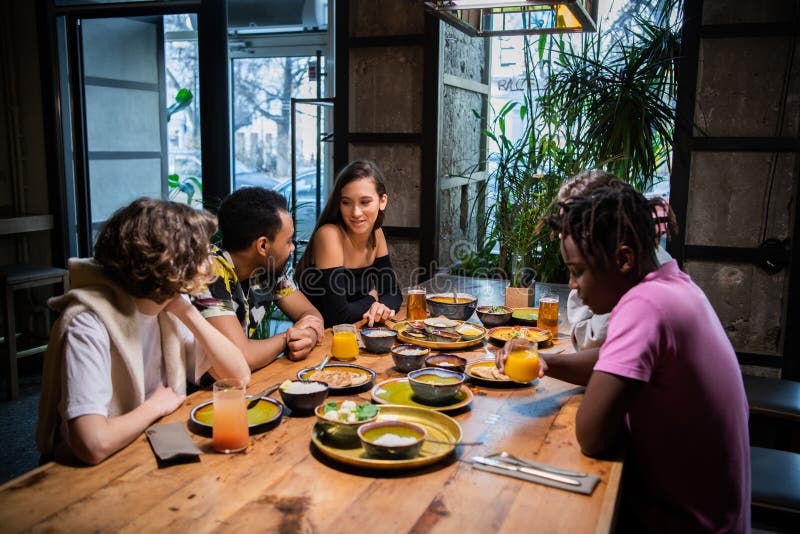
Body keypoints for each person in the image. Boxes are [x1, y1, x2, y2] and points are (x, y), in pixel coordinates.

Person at [499, 182, 750, 531]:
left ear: (623, 258)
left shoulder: (646, 305)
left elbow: (591, 434)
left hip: (682, 522)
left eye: (578, 271)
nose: (572, 285)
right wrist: (547, 362)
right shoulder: (673, 284)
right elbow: (610, 358)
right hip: (711, 514)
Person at [36, 199, 251, 465]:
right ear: (173, 265)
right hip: (85, 473)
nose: (209, 261)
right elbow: (92, 443)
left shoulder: (166, 309)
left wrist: (188, 312)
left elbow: (238, 376)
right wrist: (155, 406)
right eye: (202, 253)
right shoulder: (88, 323)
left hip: (148, 445)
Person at [192, 187, 324, 370]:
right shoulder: (208, 271)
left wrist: (308, 335)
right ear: (263, 245)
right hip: (198, 392)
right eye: (288, 241)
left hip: (240, 384)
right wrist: (289, 337)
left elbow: (310, 314)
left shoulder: (269, 267)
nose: (293, 247)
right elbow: (241, 357)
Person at [557, 170, 672, 351]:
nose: (561, 234)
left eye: (570, 223)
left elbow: (589, 341)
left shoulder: (641, 291)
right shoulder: (651, 258)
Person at [295, 160, 402, 327]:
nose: (355, 212)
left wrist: (380, 307)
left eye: (365, 202)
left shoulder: (376, 233)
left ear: (382, 201)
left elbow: (393, 293)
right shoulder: (329, 235)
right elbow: (338, 316)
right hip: (323, 341)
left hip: (355, 332)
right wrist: (372, 298)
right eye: (346, 202)